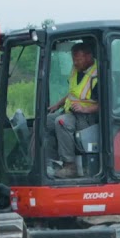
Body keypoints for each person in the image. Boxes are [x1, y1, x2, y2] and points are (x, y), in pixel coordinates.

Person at [45, 40, 100, 178]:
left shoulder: (98, 75)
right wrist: (58, 104)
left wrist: (84, 109)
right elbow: (73, 93)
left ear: (88, 56)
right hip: (71, 112)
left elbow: (106, 104)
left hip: (87, 118)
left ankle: (70, 166)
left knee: (61, 122)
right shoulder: (77, 70)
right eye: (73, 59)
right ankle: (47, 161)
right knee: (43, 121)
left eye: (78, 59)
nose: (75, 63)